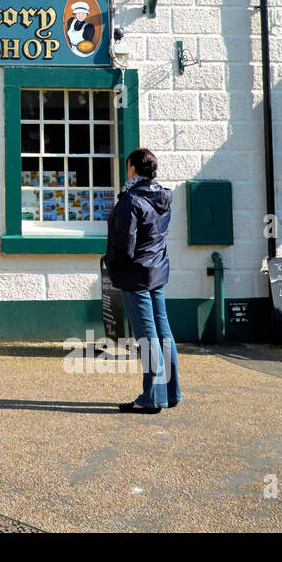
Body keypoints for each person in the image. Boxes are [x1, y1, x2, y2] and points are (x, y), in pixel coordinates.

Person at [105, 147, 179, 414]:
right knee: (163, 334)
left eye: (128, 166)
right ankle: (170, 393)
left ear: (133, 169)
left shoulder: (131, 200)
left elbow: (125, 244)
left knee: (147, 338)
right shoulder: (162, 196)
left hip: (136, 274)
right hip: (157, 271)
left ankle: (150, 398)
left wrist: (111, 263)